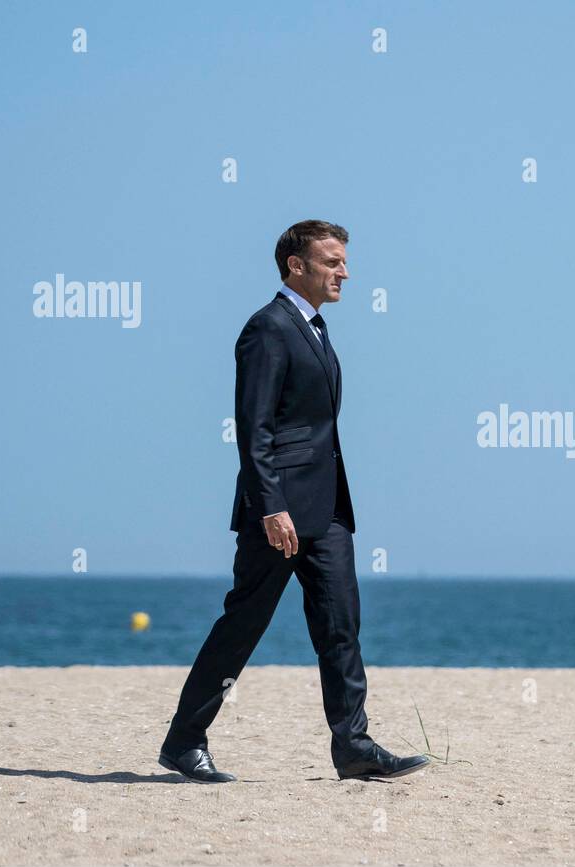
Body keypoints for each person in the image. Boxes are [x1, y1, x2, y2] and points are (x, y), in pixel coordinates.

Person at [158, 219, 429, 783]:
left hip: (327, 508)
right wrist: (271, 506)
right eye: (332, 262)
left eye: (344, 261)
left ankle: (352, 745)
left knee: (341, 623)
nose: (344, 272)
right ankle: (185, 741)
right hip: (277, 510)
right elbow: (252, 429)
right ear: (296, 266)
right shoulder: (267, 329)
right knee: (244, 625)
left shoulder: (317, 329)